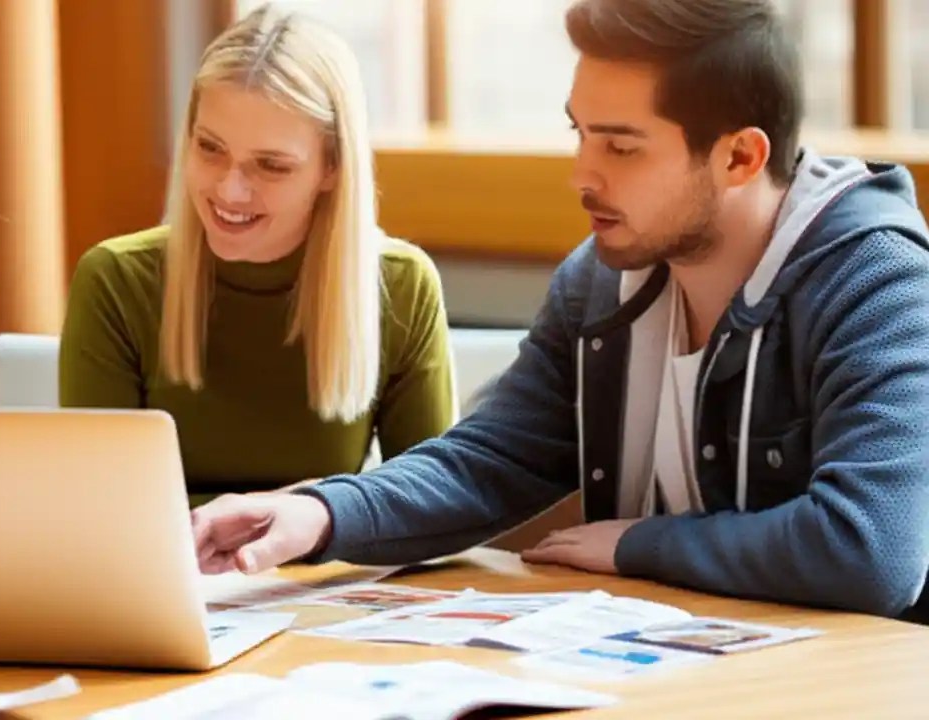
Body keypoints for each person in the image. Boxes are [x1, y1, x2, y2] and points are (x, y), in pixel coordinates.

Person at [192, 0, 929, 621]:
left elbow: (871, 550)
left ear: (738, 157)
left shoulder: (875, 280)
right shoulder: (600, 283)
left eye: (622, 147)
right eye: (580, 132)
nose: (582, 173)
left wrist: (638, 542)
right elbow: (486, 462)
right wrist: (317, 515)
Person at [59, 6, 455, 500]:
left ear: (332, 169)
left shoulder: (401, 286)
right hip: (162, 575)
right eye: (210, 148)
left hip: (334, 576)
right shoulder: (117, 282)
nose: (230, 190)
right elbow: (99, 505)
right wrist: (297, 510)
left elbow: (434, 506)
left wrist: (305, 520)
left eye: (271, 165)